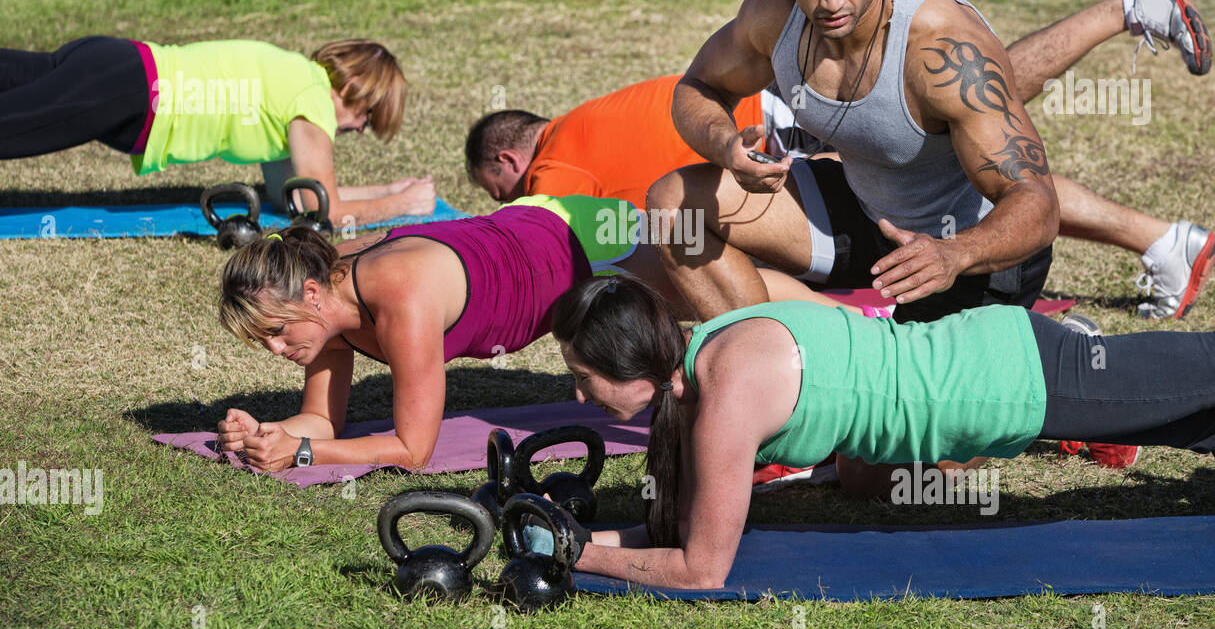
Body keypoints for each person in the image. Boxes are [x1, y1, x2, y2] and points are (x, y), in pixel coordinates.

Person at [649, 0, 1215, 324]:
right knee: (675, 205)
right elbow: (697, 88)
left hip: (963, 254)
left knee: (880, 474)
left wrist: (952, 256)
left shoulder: (942, 46)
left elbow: (1037, 204)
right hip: (867, 209)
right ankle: (766, 383)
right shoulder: (774, 11)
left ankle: (1051, 349)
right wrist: (727, 146)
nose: (830, 0)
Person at [546, 275, 1215, 590]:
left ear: (631, 362)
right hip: (998, 360)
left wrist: (584, 556)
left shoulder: (726, 396)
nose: (580, 392)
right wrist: (583, 541)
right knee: (1207, 412)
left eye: (585, 375)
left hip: (1011, 381)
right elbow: (867, 447)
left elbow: (703, 571)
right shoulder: (713, 339)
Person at [210, 195, 835, 471]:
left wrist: (308, 454)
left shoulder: (400, 300)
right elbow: (322, 422)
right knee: (703, 293)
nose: (274, 348)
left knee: (709, 296)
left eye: (275, 330)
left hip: (573, 238)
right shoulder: (327, 312)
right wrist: (269, 435)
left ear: (311, 295)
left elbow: (411, 449)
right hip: (520, 233)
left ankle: (844, 327)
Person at [0, 36, 434, 226]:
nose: (359, 130)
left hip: (114, 64)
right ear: (354, 88)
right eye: (367, 118)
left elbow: (295, 196)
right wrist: (403, 203)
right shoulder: (312, 104)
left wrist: (386, 188)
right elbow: (324, 211)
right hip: (125, 92)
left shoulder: (298, 82)